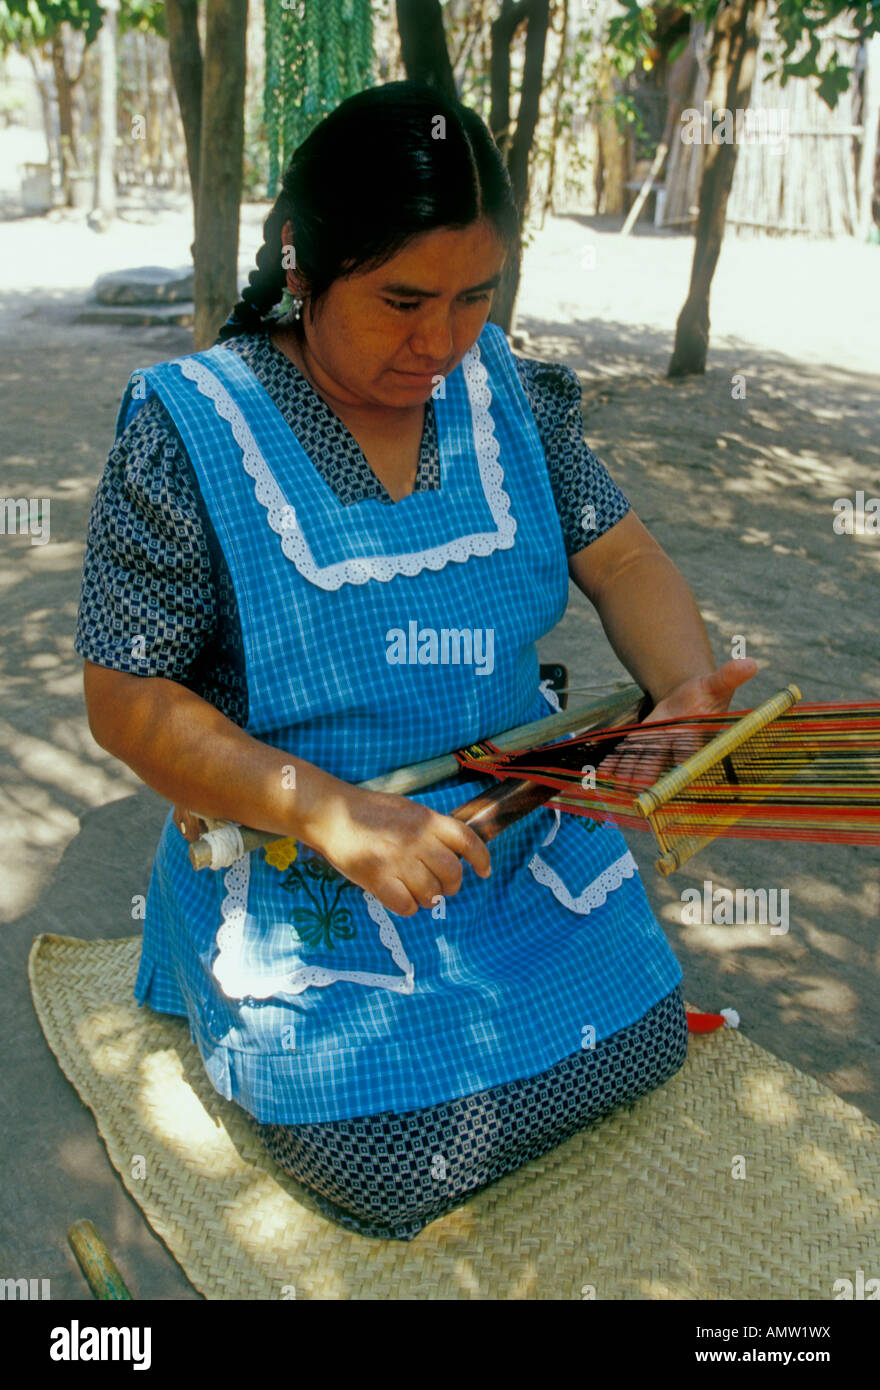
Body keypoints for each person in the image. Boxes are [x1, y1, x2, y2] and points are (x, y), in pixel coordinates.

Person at [76, 80, 756, 1242]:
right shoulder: (190, 423)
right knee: (395, 1155)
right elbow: (126, 697)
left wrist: (683, 687)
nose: (438, 342)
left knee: (637, 1040)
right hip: (303, 864)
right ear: (305, 269)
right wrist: (333, 812)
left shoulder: (508, 395)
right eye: (399, 301)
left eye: (472, 298)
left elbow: (627, 558)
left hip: (510, 838)